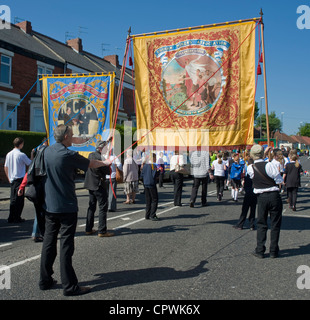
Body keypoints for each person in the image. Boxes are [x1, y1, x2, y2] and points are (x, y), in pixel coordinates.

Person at [39, 124, 111, 296]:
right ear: (65, 137)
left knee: (48, 242)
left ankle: (45, 280)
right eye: (71, 134)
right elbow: (91, 163)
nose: (72, 137)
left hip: (49, 205)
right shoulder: (68, 154)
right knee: (66, 247)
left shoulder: (46, 151)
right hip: (66, 206)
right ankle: (70, 286)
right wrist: (106, 161)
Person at [247, 145, 283, 259]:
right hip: (274, 195)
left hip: (261, 197)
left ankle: (260, 250)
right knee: (275, 224)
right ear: (263, 154)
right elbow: (279, 180)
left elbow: (255, 163)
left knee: (262, 224)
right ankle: (273, 250)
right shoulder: (270, 165)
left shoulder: (250, 168)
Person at [18, 138, 48, 242]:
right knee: (43, 213)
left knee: (39, 212)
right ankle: (42, 234)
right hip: (42, 191)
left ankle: (37, 233)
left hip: (35, 190)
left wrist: (21, 188)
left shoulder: (34, 162)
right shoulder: (44, 163)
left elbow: (27, 174)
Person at [84, 139, 114, 237]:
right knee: (102, 207)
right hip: (98, 185)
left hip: (90, 184)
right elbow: (107, 171)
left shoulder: (90, 155)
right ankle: (102, 230)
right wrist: (108, 164)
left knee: (91, 207)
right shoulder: (100, 158)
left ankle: (88, 228)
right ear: (101, 148)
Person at [4, 137, 34, 223]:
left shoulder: (9, 154)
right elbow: (30, 163)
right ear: (21, 144)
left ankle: (11, 217)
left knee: (13, 199)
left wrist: (8, 178)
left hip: (12, 179)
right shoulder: (22, 155)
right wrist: (32, 154)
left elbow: (6, 167)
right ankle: (17, 217)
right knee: (19, 200)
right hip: (19, 179)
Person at [233, 158, 256, 230]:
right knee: (253, 209)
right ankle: (252, 224)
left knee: (245, 209)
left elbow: (246, 184)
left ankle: (240, 224)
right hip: (255, 192)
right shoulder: (256, 171)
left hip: (249, 192)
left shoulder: (249, 172)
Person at [141, 153, 160, 221]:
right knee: (154, 199)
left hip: (146, 183)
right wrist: (158, 171)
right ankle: (152, 214)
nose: (156, 159)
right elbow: (154, 175)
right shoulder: (153, 166)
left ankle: (147, 214)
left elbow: (142, 175)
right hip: (151, 183)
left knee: (148, 200)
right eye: (155, 158)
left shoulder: (145, 165)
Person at [105, 147, 123, 212]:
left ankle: (105, 205)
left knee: (105, 193)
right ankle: (111, 207)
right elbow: (120, 165)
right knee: (112, 192)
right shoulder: (114, 157)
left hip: (105, 177)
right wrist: (118, 169)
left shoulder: (104, 156)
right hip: (112, 177)